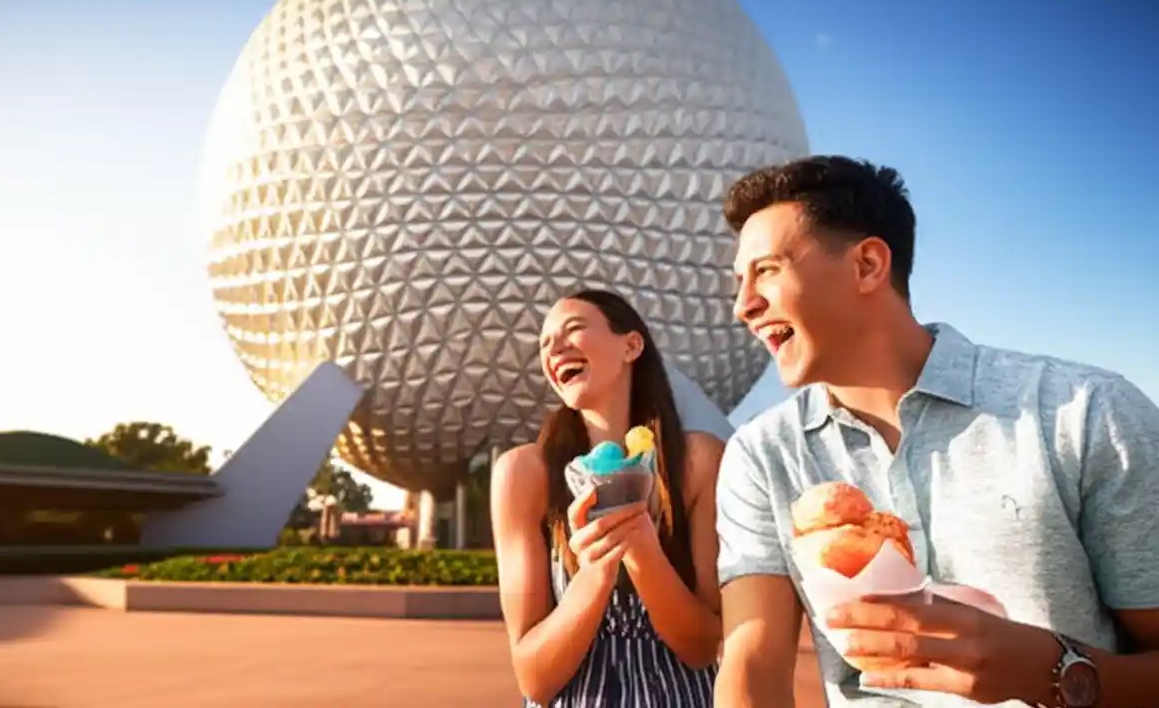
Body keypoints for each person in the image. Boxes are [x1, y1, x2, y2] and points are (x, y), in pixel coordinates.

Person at [711, 155, 1159, 707]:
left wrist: (1054, 671)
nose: (743, 307)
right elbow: (752, 664)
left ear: (869, 264)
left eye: (767, 270)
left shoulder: (1083, 413)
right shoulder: (761, 456)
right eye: (739, 282)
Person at [491, 288, 726, 707]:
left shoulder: (698, 462)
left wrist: (644, 553)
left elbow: (702, 647)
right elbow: (534, 676)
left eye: (574, 329)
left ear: (631, 345)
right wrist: (595, 571)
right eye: (545, 343)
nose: (555, 348)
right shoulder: (524, 474)